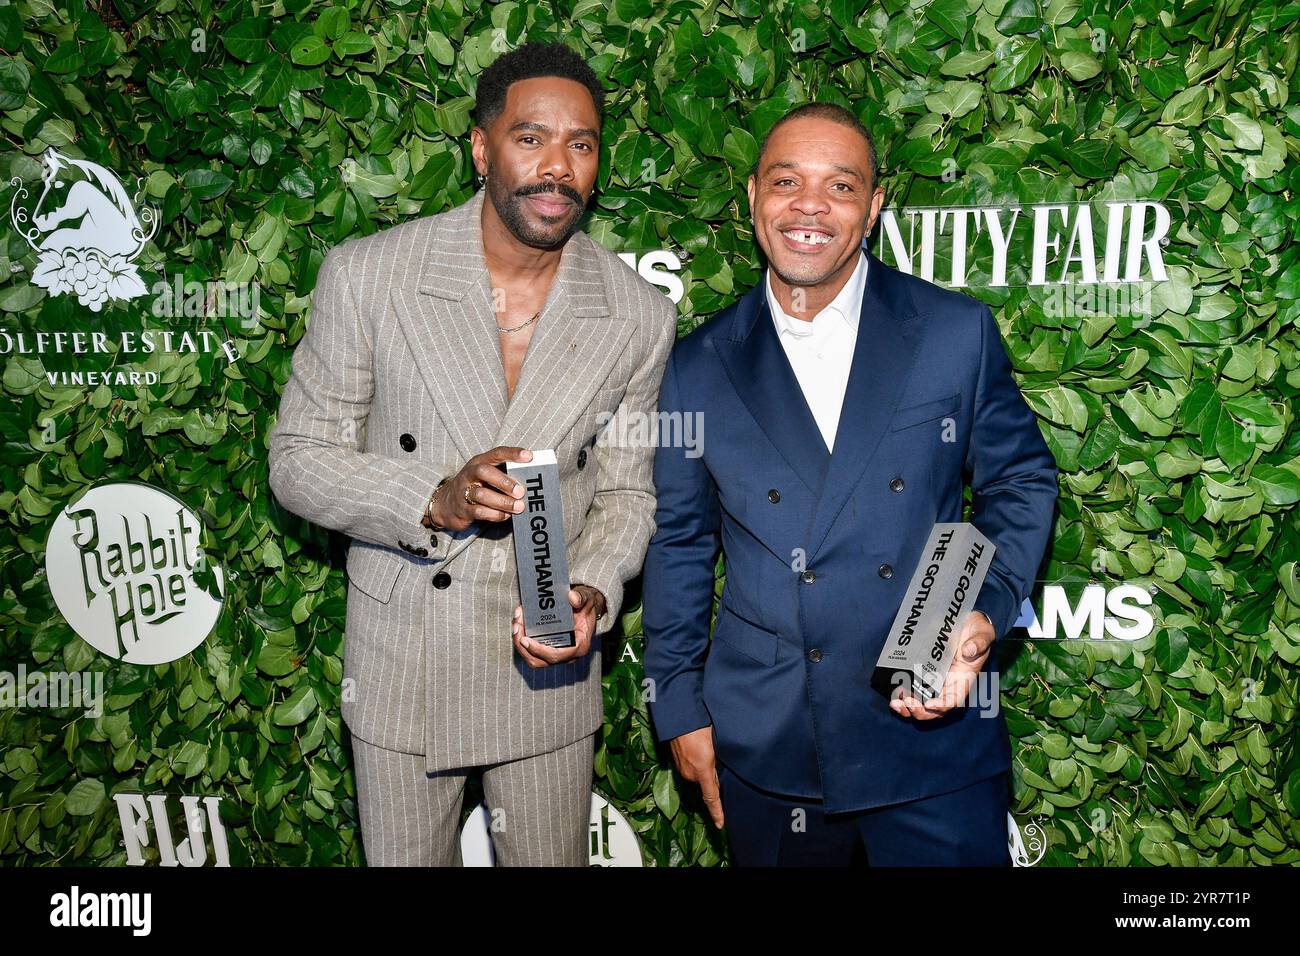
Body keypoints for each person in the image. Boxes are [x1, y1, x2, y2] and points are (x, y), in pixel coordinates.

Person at [269, 41, 676, 866]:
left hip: (547, 667)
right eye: (531, 138)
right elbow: (297, 457)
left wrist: (592, 588)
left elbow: (630, 494)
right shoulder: (370, 276)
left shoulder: (637, 315)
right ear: (482, 146)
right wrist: (432, 496)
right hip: (404, 662)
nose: (556, 166)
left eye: (582, 144)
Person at [642, 102, 1059, 866]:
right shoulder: (698, 364)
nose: (809, 206)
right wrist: (678, 705)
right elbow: (681, 541)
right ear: (752, 198)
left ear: (873, 206)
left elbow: (1021, 481)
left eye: (840, 187)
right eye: (786, 181)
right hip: (768, 744)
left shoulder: (950, 331)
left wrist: (985, 610)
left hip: (931, 740)